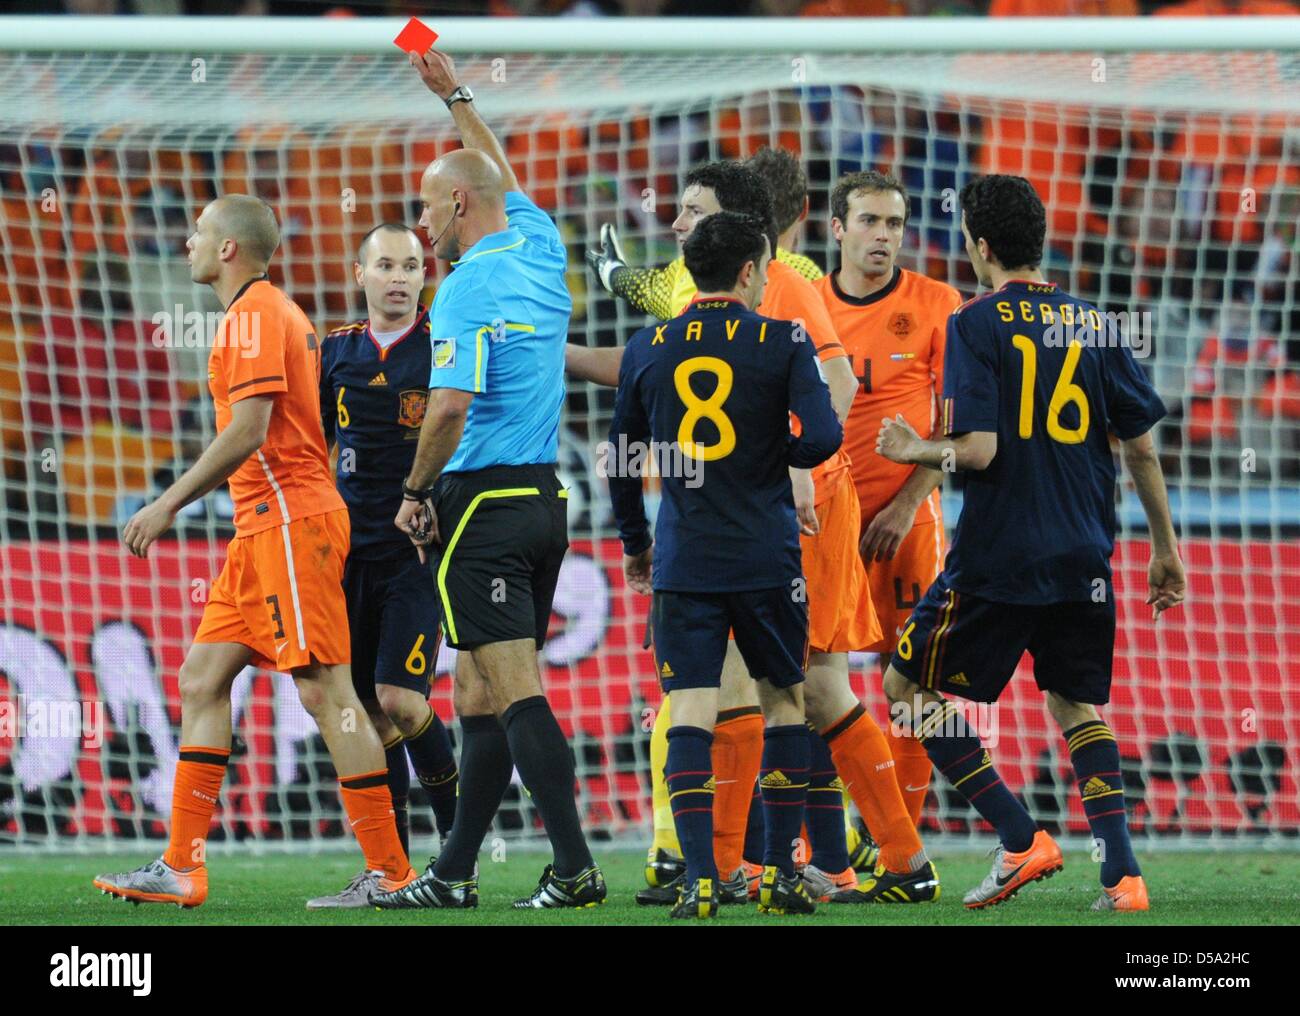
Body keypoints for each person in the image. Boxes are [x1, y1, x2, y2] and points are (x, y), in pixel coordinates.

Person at [94, 194, 416, 908]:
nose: (188, 243)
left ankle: (391, 873)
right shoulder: (272, 312)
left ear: (230, 248)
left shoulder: (253, 316)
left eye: (200, 233)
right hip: (261, 529)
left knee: (327, 692)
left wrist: (167, 501)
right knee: (201, 680)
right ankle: (182, 863)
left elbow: (249, 429)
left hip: (290, 523)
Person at [875, 175, 1184, 912]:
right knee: (1077, 706)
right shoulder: (1096, 323)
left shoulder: (974, 324)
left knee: (903, 691)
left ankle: (1020, 838)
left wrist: (914, 447)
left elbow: (977, 450)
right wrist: (1166, 550)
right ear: (1039, 241)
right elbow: (1140, 450)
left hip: (999, 555)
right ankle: (1124, 877)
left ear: (980, 247)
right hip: (1085, 552)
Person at [374, 45, 603, 912]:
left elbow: (448, 410)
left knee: (513, 691)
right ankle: (456, 873)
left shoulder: (467, 287)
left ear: (456, 205)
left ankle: (576, 867)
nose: (422, 228)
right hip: (543, 500)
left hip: (484, 504)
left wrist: (414, 493)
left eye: (430, 210)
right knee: (474, 686)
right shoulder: (541, 250)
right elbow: (499, 181)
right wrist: (457, 98)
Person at [607, 210, 842, 918]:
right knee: (783, 704)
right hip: (767, 556)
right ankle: (775, 875)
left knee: (691, 712)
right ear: (748, 271)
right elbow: (826, 432)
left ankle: (702, 879)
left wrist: (636, 546)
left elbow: (621, 462)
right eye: (766, 266)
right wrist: (776, 458)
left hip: (686, 559)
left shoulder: (649, 345)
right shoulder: (782, 340)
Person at [307, 223, 461, 909]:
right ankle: (390, 870)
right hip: (346, 554)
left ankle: (459, 851)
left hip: (415, 555)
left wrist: (435, 501)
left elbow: (466, 428)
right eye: (385, 265)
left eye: (410, 265)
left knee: (402, 701)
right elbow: (309, 445)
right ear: (360, 274)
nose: (399, 277)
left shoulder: (441, 346)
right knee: (368, 715)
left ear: (424, 278)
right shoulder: (333, 351)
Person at [813, 170, 962, 834]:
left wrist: (905, 506)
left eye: (895, 223)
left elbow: (956, 426)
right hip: (825, 524)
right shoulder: (807, 303)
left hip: (909, 524)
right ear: (838, 229)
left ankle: (898, 839)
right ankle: (832, 839)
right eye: (870, 221)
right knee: (815, 684)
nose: (884, 236)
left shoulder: (938, 303)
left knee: (911, 685)